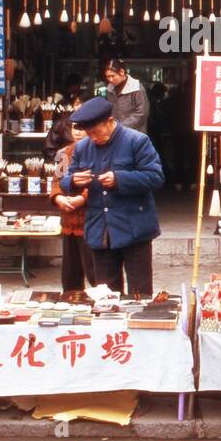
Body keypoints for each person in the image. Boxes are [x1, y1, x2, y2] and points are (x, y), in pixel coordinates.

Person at [61, 97, 164, 296]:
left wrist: (119, 179)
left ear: (110, 122)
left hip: (135, 229)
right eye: (88, 133)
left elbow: (156, 177)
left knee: (139, 296)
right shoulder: (83, 147)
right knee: (106, 297)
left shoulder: (137, 141)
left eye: (96, 132)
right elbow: (64, 180)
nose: (92, 138)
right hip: (101, 231)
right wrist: (74, 180)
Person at [49, 117, 96, 292]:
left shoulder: (97, 150)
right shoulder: (64, 153)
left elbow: (98, 181)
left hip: (90, 221)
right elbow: (56, 181)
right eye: (74, 128)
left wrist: (83, 198)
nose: (77, 132)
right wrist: (58, 198)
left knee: (95, 273)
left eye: (82, 128)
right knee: (71, 275)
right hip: (68, 220)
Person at [104, 58, 149, 135]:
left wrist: (120, 127)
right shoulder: (110, 89)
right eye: (108, 76)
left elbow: (142, 114)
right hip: (115, 133)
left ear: (121, 72)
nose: (110, 79)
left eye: (113, 76)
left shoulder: (136, 87)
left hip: (135, 133)